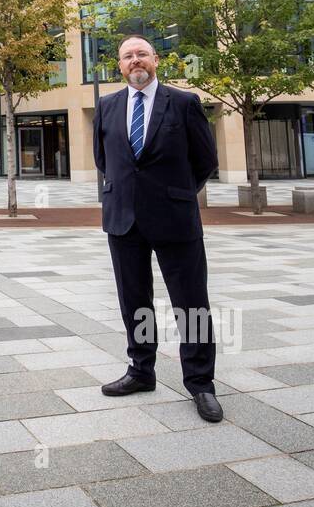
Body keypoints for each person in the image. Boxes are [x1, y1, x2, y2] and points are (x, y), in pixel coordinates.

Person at [92, 36, 223, 422]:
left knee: (192, 304)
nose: (136, 60)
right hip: (123, 220)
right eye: (128, 55)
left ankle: (201, 384)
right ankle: (141, 371)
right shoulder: (107, 106)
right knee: (134, 302)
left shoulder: (183, 103)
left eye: (142, 54)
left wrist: (177, 194)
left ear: (156, 60)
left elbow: (206, 160)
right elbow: (105, 160)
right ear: (120, 64)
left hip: (174, 218)